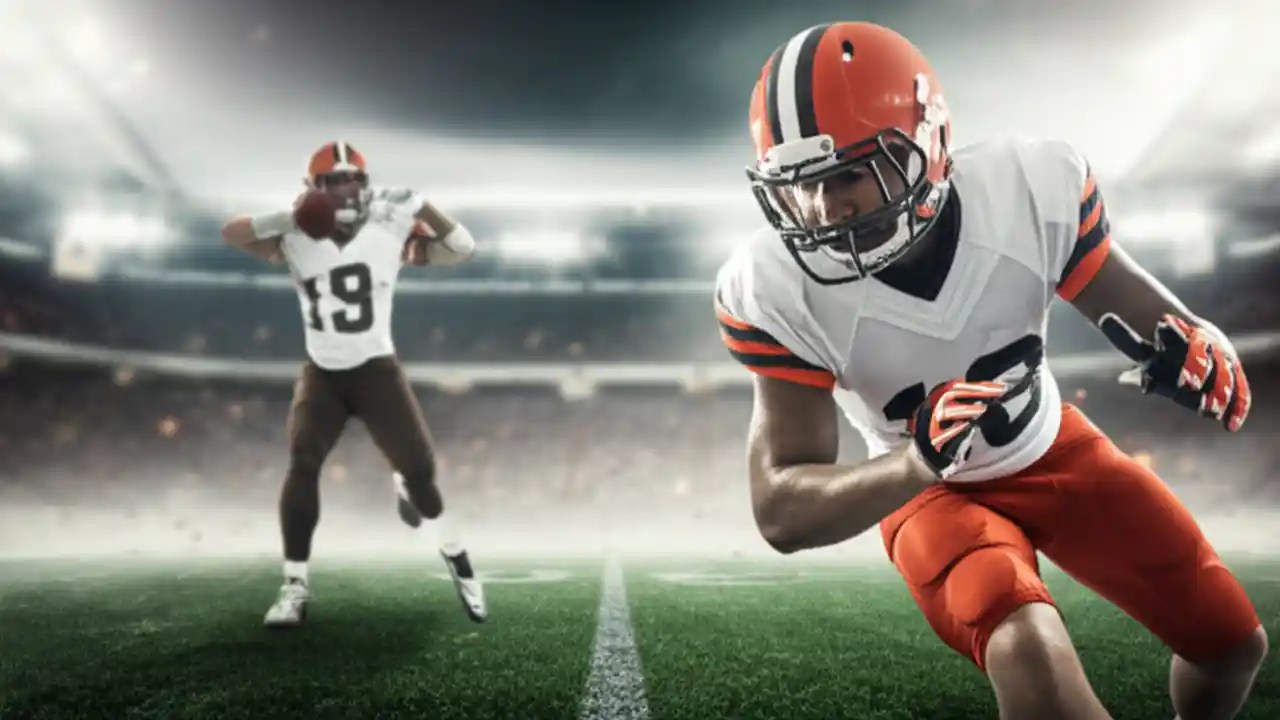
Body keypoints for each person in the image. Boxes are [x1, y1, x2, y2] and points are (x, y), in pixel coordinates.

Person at [715, 22, 1265, 719]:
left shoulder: (1028, 190)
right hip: (925, 491)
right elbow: (781, 509)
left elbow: (1144, 316)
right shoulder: (773, 284)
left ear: (929, 141)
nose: (825, 209)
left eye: (849, 172)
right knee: (1025, 650)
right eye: (805, 185)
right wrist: (916, 462)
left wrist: (1195, 340)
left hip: (1051, 445)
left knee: (1231, 643)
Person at [221, 141, 486, 628]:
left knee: (422, 474)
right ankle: (294, 585)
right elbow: (231, 233)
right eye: (333, 182)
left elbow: (462, 248)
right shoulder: (293, 234)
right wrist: (291, 215)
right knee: (302, 461)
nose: (345, 190)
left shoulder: (391, 226)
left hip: (376, 371)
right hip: (322, 374)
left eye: (353, 180)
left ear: (365, 185)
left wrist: (424, 204)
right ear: (313, 189)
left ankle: (458, 557)